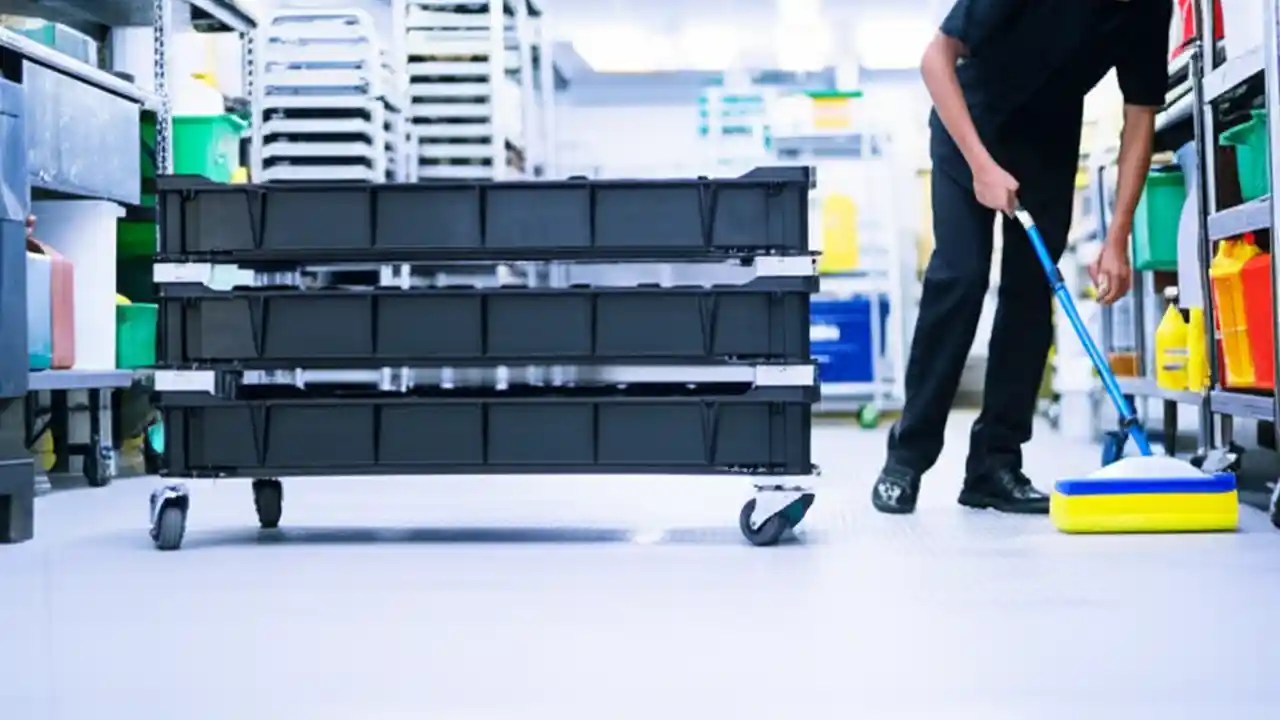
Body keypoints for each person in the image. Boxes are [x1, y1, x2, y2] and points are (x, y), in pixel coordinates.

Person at [873, 0, 1172, 515]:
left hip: (1050, 141)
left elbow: (1140, 117)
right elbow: (935, 57)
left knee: (1033, 293)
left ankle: (995, 464)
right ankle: (907, 457)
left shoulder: (1147, 9)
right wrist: (982, 167)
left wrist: (1117, 238)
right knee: (960, 277)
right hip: (970, 121)